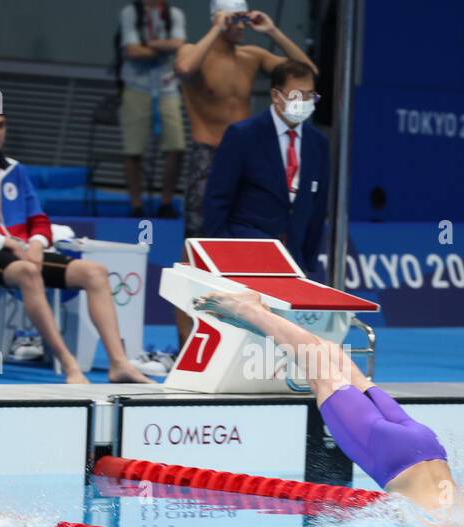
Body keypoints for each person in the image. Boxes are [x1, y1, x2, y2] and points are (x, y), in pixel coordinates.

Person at [194, 288, 464, 527]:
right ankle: (249, 310)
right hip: (389, 456)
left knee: (337, 364)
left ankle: (261, 318)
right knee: (316, 367)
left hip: (424, 444)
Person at [0, 99, 153, 385]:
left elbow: (38, 217)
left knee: (95, 272)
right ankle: (70, 365)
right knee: (29, 271)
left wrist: (36, 242)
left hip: (25, 252)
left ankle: (118, 364)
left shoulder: (14, 169)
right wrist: (7, 242)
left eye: (0, 126)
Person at [172, 0, 316, 345]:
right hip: (208, 155)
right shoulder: (195, 51)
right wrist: (216, 28)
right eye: (234, 19)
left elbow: (306, 71)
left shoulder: (252, 55)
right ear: (218, 19)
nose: (240, 25)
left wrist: (272, 31)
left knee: (241, 248)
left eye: (242, 19)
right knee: (195, 248)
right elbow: (184, 68)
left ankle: (233, 333)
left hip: (250, 160)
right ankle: (185, 340)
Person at [202, 61, 328, 275]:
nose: (304, 102)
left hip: (295, 262)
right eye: (297, 95)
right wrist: (220, 255)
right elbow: (216, 200)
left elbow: (317, 211)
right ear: (276, 96)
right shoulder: (242, 135)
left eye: (310, 96)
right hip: (244, 256)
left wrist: (308, 266)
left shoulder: (318, 143)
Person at [117, 0, 187, 219]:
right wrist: (163, 47)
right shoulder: (130, 12)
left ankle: (166, 202)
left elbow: (180, 44)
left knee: (176, 147)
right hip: (137, 86)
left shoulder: (174, 14)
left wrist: (150, 44)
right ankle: (136, 204)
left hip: (167, 87)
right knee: (133, 150)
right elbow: (132, 51)